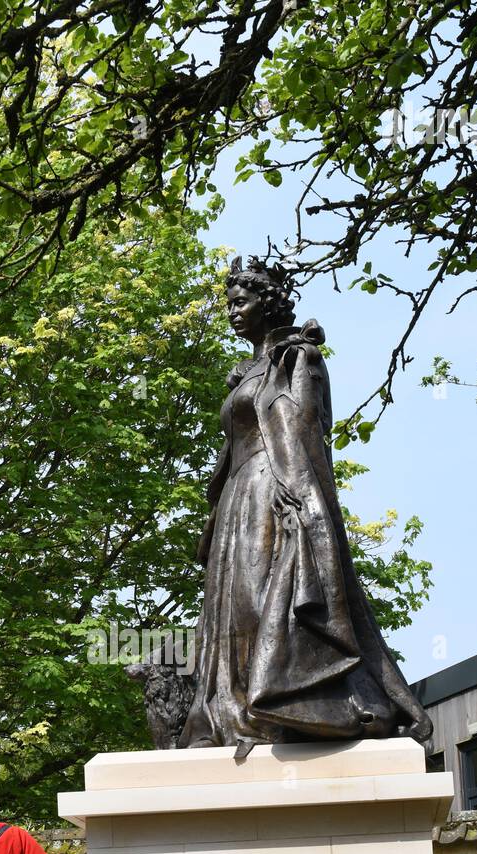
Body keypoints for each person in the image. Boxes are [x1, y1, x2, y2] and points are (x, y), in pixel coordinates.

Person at [179, 254, 432, 756]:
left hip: (274, 490)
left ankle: (284, 705)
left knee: (260, 602)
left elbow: (304, 432)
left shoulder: (299, 358)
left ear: (267, 303)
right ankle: (237, 714)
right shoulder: (249, 370)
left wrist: (304, 503)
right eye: (229, 303)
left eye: (241, 301)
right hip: (238, 502)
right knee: (230, 613)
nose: (232, 311)